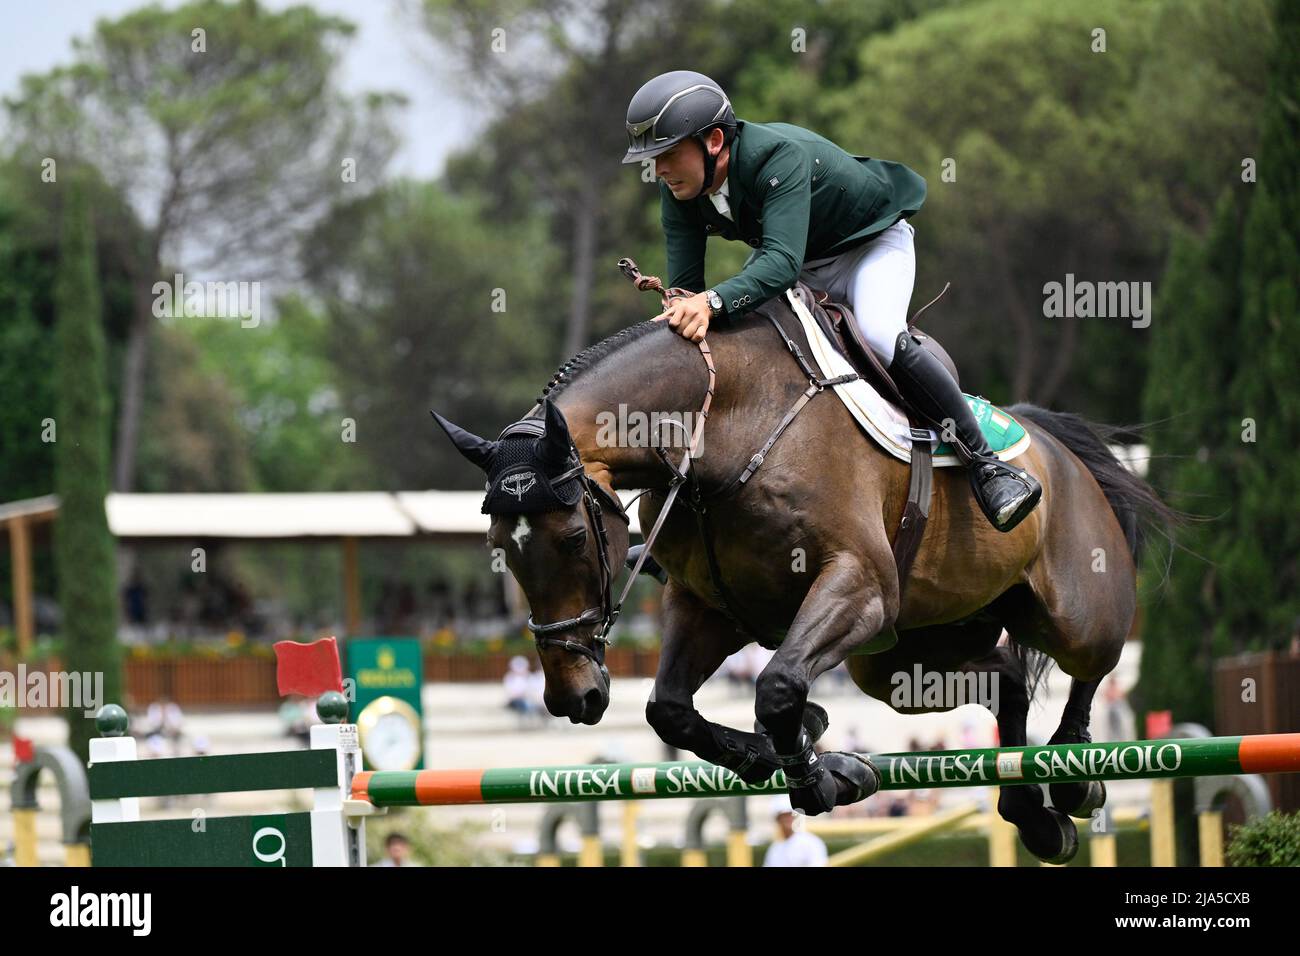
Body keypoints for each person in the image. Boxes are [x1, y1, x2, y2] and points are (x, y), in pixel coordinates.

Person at [623, 70, 1041, 532]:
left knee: (881, 333)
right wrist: (685, 311)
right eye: (652, 158)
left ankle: (987, 466)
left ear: (715, 141)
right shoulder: (679, 192)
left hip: (870, 248)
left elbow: (778, 264)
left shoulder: (776, 158)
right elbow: (687, 287)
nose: (657, 169)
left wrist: (712, 302)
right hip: (802, 264)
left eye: (667, 154)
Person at [762, 795, 828, 867]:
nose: (788, 818)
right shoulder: (774, 849)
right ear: (778, 819)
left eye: (790, 814)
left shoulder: (811, 842)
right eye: (784, 816)